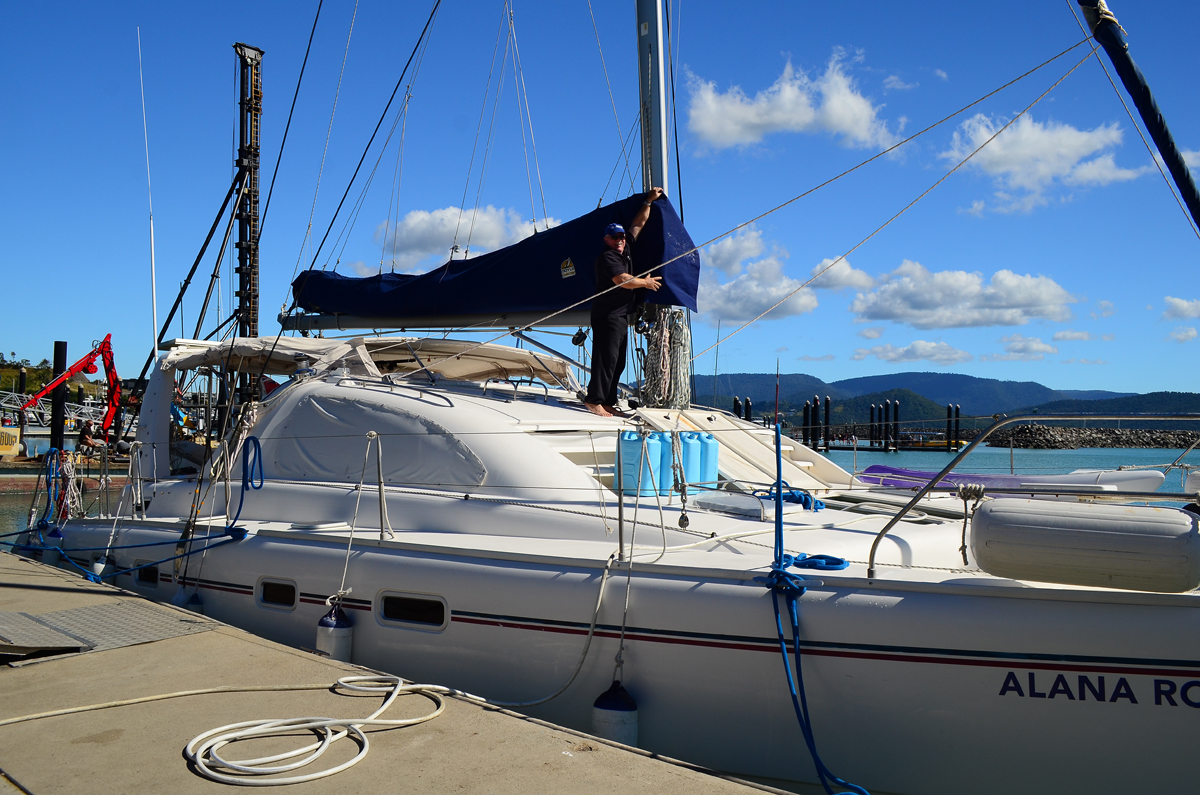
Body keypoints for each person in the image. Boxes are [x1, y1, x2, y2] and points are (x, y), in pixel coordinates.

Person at [584, 187, 665, 417]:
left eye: (620, 237)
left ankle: (608, 401)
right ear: (606, 240)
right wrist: (645, 283)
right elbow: (622, 280)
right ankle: (593, 400)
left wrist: (648, 202)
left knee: (618, 362)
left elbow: (637, 225)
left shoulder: (625, 247)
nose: (620, 240)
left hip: (620, 315)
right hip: (607, 315)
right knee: (605, 358)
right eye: (615, 238)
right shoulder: (608, 257)